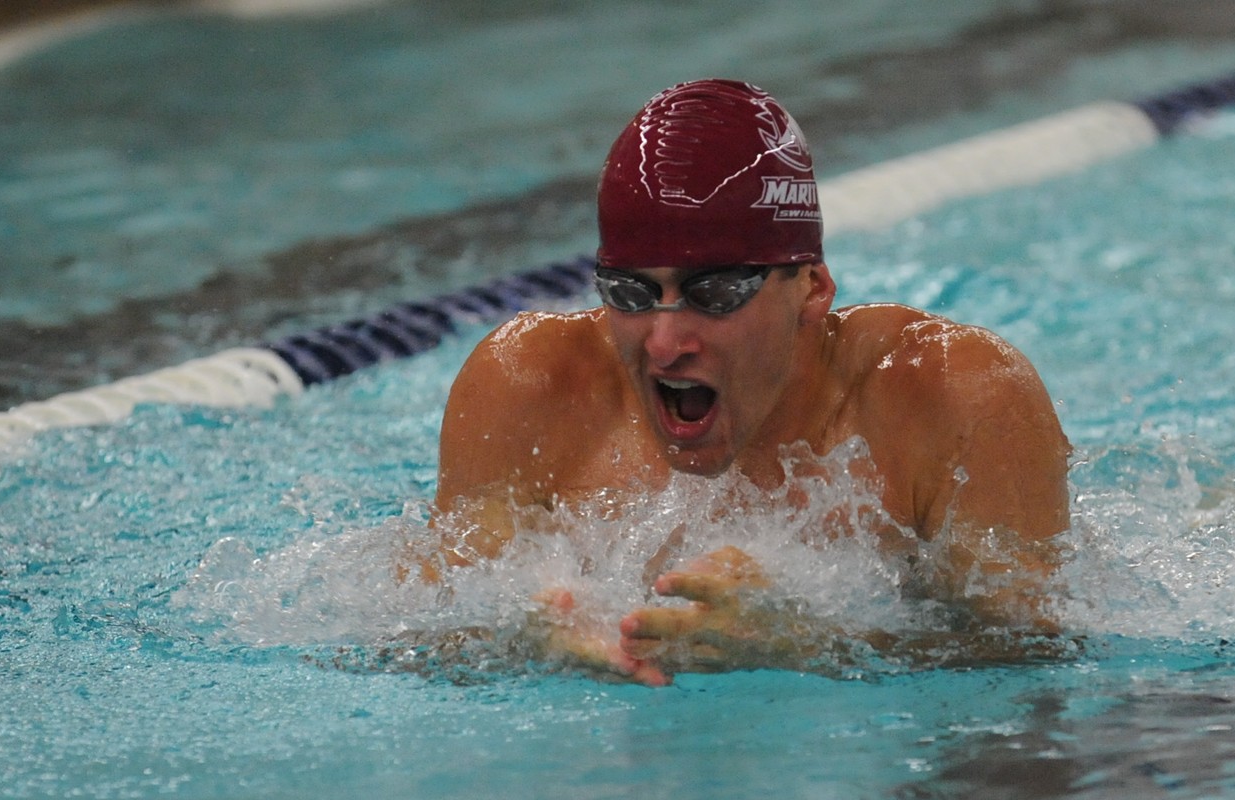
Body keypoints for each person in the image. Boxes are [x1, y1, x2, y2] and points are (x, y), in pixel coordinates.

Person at [427, 78, 1070, 686]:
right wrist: (514, 644)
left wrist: (817, 646)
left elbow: (1035, 654)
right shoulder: (528, 386)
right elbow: (411, 636)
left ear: (811, 286)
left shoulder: (953, 395)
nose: (664, 343)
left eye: (715, 291)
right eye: (631, 292)